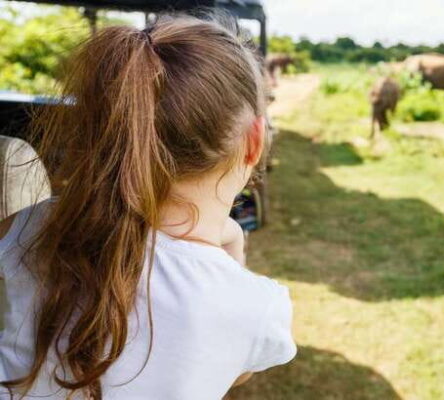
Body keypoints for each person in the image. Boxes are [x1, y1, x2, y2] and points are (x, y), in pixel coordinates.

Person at [0, 14, 295, 399]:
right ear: (253, 143)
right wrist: (234, 247)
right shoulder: (258, 307)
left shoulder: (30, 227)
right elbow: (234, 370)